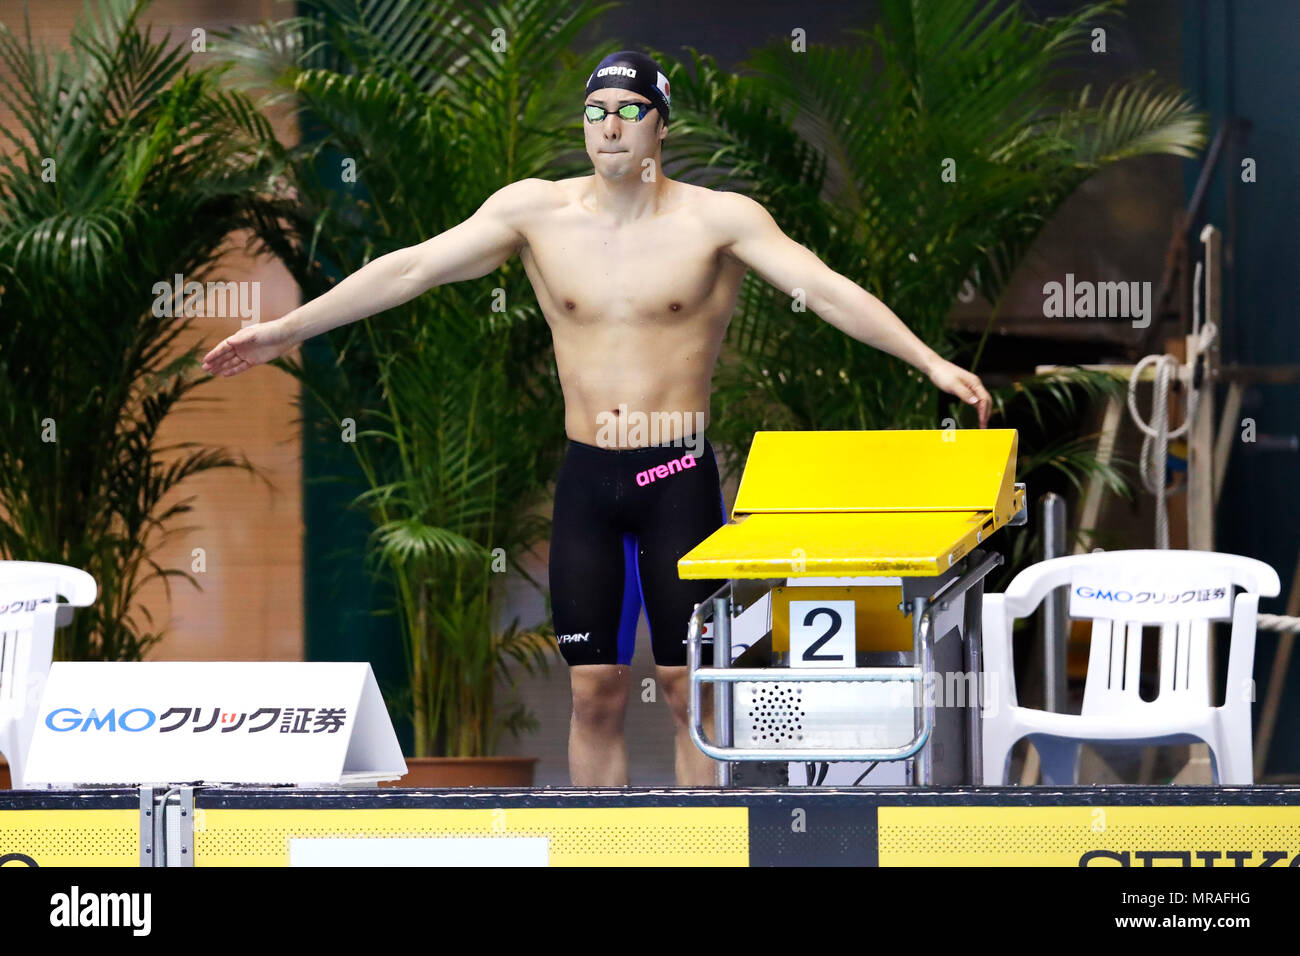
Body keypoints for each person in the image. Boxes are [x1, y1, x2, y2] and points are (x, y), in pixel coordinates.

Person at [202, 50, 992, 787]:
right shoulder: (534, 214)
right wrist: (283, 330)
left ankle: (703, 853)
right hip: (588, 478)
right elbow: (410, 267)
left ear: (661, 125)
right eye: (595, 111)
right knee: (595, 693)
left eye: (630, 108)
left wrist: (928, 360)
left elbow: (822, 287)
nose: (609, 125)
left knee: (689, 689)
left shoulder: (720, 220)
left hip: (677, 476)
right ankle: (602, 853)